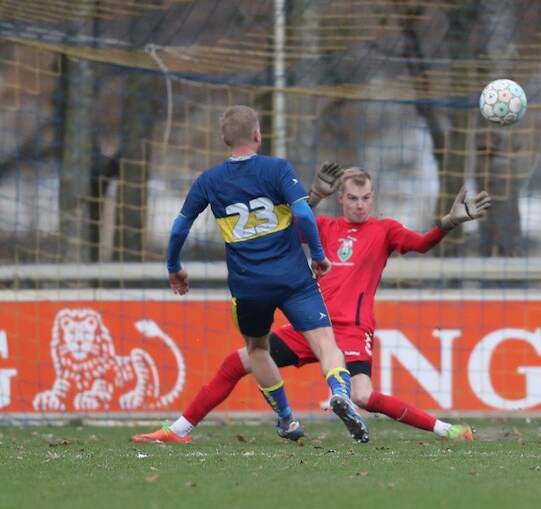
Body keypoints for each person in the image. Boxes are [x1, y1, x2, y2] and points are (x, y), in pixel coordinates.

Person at [136, 163, 491, 444]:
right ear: (342, 198)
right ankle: (179, 429)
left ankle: (448, 430)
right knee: (237, 361)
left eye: (366, 197)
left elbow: (421, 244)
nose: (360, 204)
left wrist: (449, 222)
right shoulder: (324, 226)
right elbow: (285, 228)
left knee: (365, 397)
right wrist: (314, 195)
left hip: (351, 330)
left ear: (373, 197)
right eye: (353, 198)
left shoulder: (385, 230)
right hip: (310, 322)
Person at [163, 105, 369, 444]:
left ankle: (287, 419)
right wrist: (318, 256)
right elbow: (302, 214)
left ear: (225, 140)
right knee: (325, 342)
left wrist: (174, 267)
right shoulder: (276, 169)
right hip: (293, 280)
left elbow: (179, 228)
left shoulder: (209, 180)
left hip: (248, 287)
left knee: (257, 349)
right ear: (258, 135)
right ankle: (340, 392)